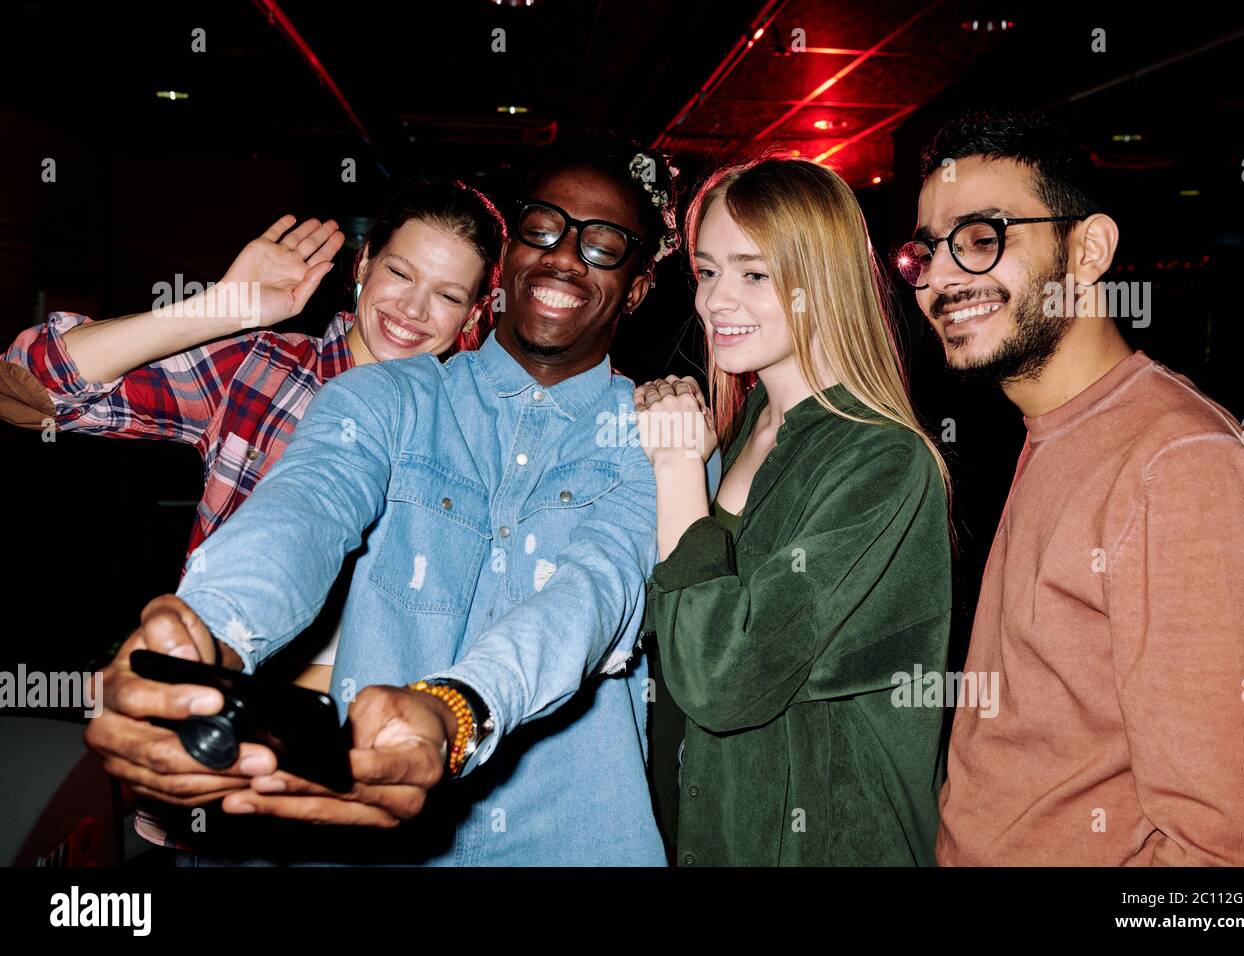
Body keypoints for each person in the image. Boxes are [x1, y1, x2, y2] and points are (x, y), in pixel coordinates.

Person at [83, 135, 723, 866]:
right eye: (543, 228)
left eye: (604, 244)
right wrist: (206, 633)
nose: (566, 256)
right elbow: (306, 510)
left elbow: (596, 589)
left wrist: (454, 711)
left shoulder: (661, 436)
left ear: (637, 289)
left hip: (575, 837)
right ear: (508, 260)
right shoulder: (384, 394)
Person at [0, 176, 506, 849]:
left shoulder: (474, 427)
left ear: (474, 311)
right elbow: (32, 391)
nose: (413, 309)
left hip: (373, 784)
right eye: (399, 273)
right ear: (362, 266)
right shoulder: (266, 371)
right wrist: (223, 307)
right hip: (223, 769)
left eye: (447, 294)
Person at [898, 108, 1244, 865]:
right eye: (925, 253)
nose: (942, 278)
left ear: (1088, 250)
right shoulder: (1055, 425)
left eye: (981, 240)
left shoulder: (1176, 468)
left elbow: (1230, 854)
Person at [634, 157, 952, 866]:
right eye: (708, 270)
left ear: (822, 284)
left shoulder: (883, 461)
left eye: (754, 274)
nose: (717, 300)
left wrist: (680, 469)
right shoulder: (751, 428)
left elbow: (720, 678)